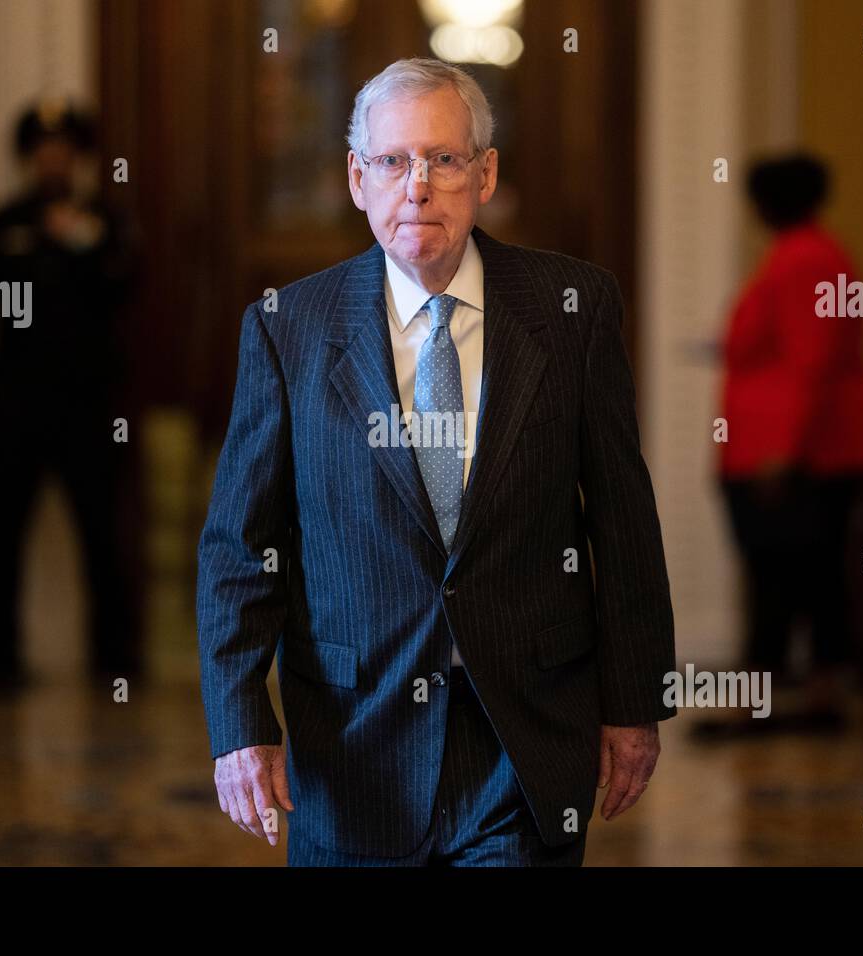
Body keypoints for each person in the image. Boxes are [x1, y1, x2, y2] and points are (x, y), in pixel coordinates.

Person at [197, 58, 676, 866]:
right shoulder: (290, 329)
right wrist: (241, 726)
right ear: (357, 178)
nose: (416, 187)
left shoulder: (572, 310)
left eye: (444, 160)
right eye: (391, 162)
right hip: (353, 747)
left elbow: (624, 521)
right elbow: (241, 550)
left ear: (485, 174)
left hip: (523, 742)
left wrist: (635, 703)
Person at [698, 153, 863, 738]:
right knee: (807, 572)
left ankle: (768, 700)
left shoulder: (804, 260)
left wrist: (782, 451)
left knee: (781, 574)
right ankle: (810, 695)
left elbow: (812, 364)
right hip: (802, 447)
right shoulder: (809, 256)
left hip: (790, 452)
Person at [0, 99, 139, 686]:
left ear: (77, 157)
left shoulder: (101, 223)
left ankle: (115, 660)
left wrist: (85, 239)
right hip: (15, 406)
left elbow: (128, 281)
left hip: (87, 408)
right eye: (42, 149)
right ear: (30, 157)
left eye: (63, 149)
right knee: (1, 533)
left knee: (101, 535)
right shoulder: (5, 224)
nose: (53, 158)